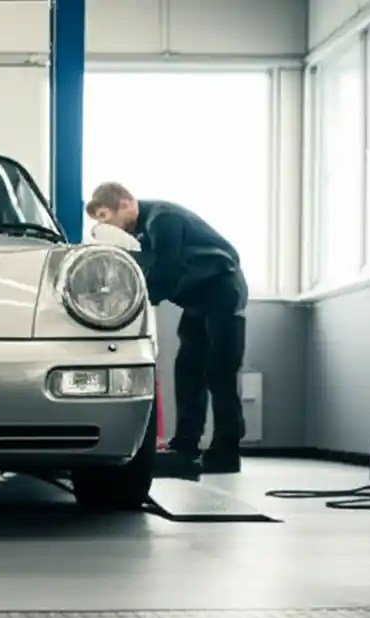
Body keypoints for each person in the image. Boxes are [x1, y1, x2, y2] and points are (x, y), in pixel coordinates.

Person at [86, 182, 249, 475]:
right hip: (199, 297)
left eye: (105, 216)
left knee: (220, 369)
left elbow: (167, 271)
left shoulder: (162, 218)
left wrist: (135, 304)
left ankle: (227, 451)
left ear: (125, 204)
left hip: (221, 286)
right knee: (188, 368)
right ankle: (185, 446)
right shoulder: (142, 231)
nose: (106, 225)